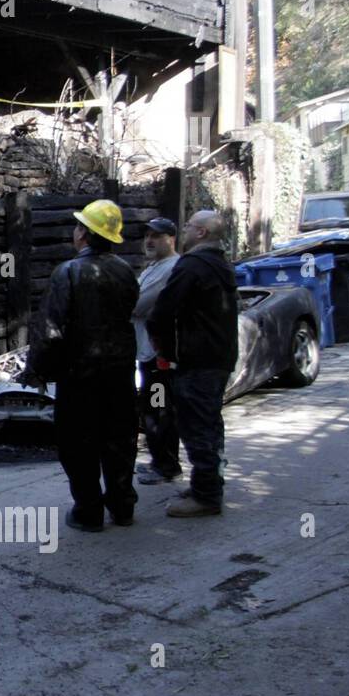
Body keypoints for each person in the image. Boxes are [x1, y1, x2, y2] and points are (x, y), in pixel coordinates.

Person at [26, 199, 140, 532]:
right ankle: (122, 507)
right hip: (119, 375)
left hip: (80, 378)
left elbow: (50, 329)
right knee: (120, 441)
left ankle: (89, 511)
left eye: (78, 227)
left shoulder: (68, 273)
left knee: (79, 445)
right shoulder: (124, 270)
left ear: (84, 235)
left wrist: (39, 370)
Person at [146, 210, 239, 517]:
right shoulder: (222, 265)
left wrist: (166, 353)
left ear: (200, 233)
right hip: (219, 357)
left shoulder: (192, 265)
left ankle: (206, 496)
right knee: (210, 424)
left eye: (187, 226)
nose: (182, 230)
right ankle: (207, 483)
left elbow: (162, 312)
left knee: (197, 427)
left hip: (196, 360)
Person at [132, 217, 181, 484]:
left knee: (159, 409)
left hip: (158, 355)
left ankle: (166, 465)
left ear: (170, 239)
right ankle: (160, 461)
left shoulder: (171, 268)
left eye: (156, 236)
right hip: (148, 352)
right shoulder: (155, 266)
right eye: (147, 235)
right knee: (153, 408)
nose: (149, 241)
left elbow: (137, 305)